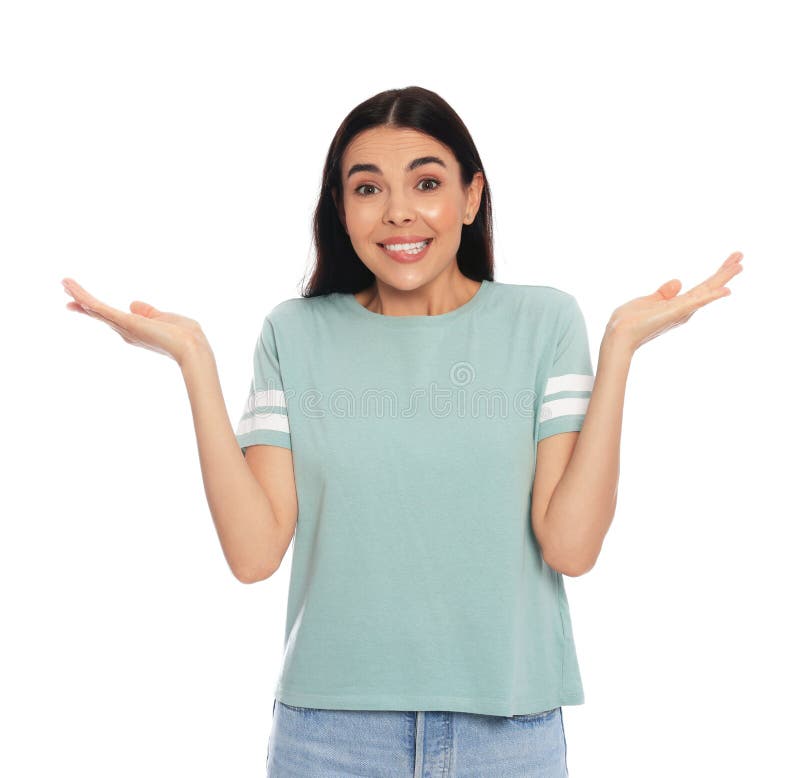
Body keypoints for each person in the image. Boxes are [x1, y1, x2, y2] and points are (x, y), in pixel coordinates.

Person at [61, 85, 744, 777]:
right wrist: (194, 361)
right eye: (367, 188)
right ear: (341, 208)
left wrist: (620, 347)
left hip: (508, 734)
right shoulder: (294, 335)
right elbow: (253, 554)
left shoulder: (544, 325)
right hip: (329, 738)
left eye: (426, 182)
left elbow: (571, 547)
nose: (398, 212)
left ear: (471, 197)